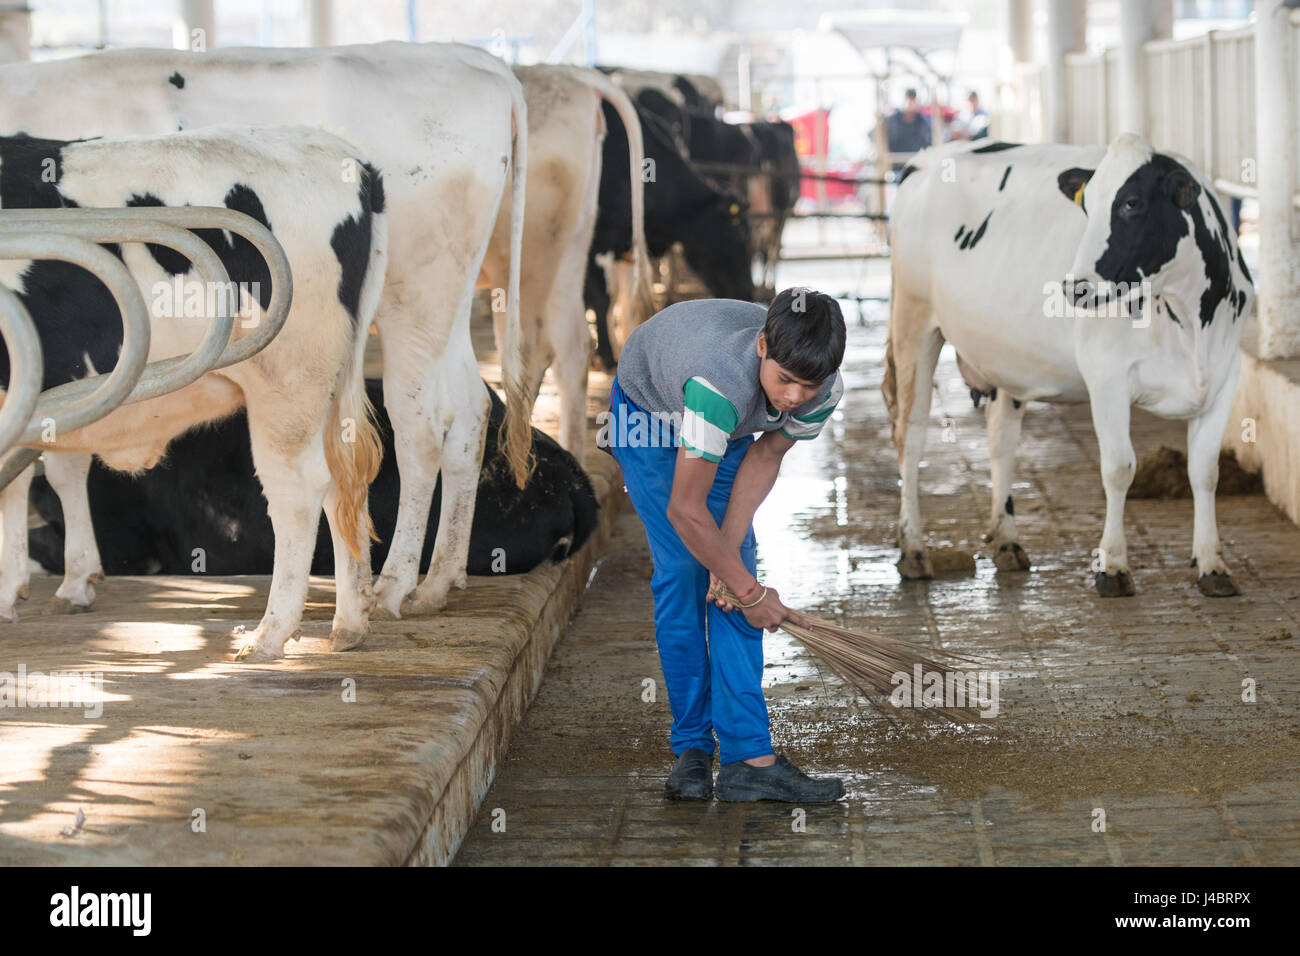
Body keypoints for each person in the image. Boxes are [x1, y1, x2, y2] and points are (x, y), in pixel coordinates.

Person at [601, 288, 848, 803]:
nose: (795, 398)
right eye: (785, 381)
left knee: (733, 577)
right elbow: (685, 510)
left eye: (810, 385)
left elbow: (764, 457)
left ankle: (748, 760)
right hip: (647, 412)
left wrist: (734, 571)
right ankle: (692, 746)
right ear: (762, 346)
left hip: (719, 422)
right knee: (685, 571)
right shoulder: (722, 385)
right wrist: (753, 595)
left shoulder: (823, 389)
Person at [885, 88, 931, 172]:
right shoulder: (891, 121)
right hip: (895, 168)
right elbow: (875, 136)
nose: (911, 103)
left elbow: (930, 142)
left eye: (913, 99)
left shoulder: (924, 122)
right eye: (908, 99)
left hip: (919, 167)